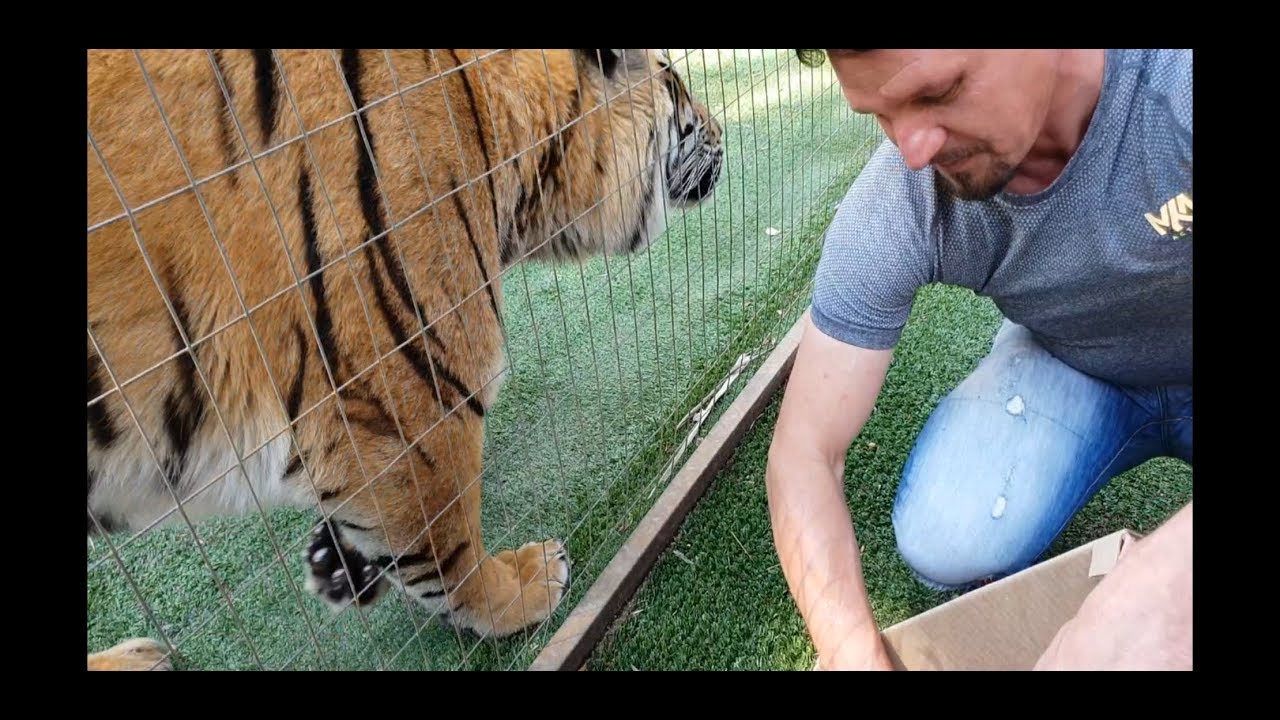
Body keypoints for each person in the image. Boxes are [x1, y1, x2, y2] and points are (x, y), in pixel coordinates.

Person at [765, 49, 1192, 671]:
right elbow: (802, 452)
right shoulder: (904, 198)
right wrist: (853, 653)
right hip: (1082, 368)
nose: (911, 148)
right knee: (946, 534)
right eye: (879, 114)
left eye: (938, 92)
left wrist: (1156, 590)